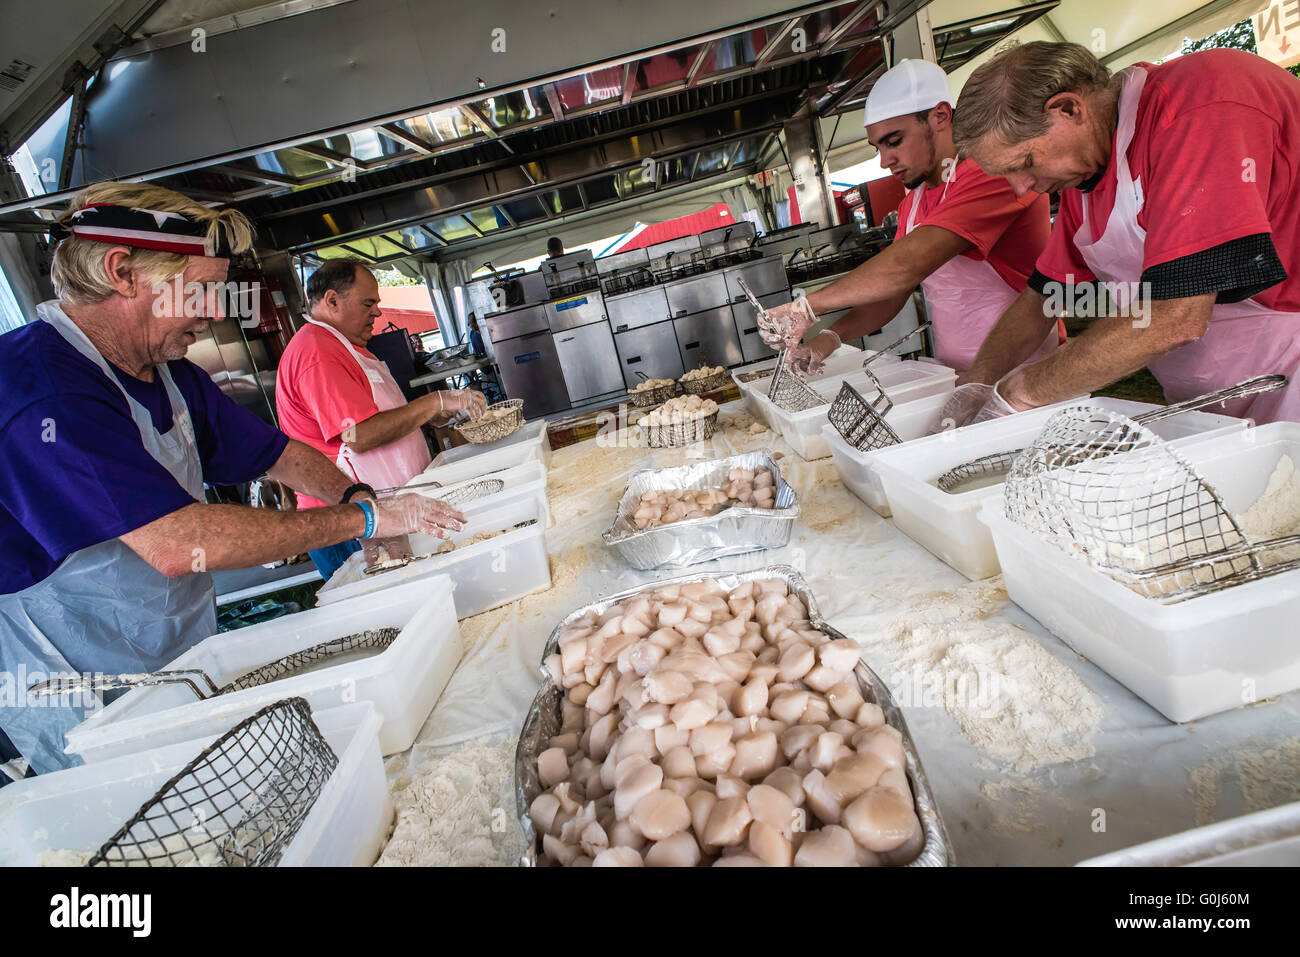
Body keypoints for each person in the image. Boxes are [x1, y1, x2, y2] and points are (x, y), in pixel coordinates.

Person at [0, 183, 464, 778]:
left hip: (173, 648)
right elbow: (176, 545)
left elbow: (276, 454)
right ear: (123, 272)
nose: (217, 310)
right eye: (202, 289)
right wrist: (365, 520)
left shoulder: (168, 373)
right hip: (74, 682)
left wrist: (357, 495)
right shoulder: (44, 391)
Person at [949, 42, 1300, 424]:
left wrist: (1021, 391)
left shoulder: (1202, 103)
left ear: (1068, 109)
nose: (1022, 189)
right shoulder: (1085, 176)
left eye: (1026, 162)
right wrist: (977, 384)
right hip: (1220, 397)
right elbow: (1043, 299)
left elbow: (1176, 317)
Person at [758, 58, 1059, 388]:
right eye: (879, 147)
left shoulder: (995, 175)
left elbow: (908, 265)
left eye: (894, 141)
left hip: (1027, 376)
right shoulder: (912, 205)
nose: (885, 160)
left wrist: (806, 307)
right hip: (958, 379)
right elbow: (892, 291)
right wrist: (830, 337)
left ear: (940, 116)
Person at [275, 258, 486, 579]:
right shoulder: (317, 351)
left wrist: (431, 416)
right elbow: (358, 435)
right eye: (368, 303)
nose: (377, 312)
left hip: (389, 505)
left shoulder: (349, 345)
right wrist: (433, 401)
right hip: (350, 522)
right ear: (332, 301)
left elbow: (378, 417)